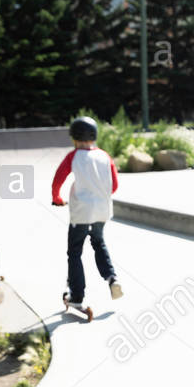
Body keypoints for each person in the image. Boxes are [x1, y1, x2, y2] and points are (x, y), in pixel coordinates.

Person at [51, 116, 123, 309]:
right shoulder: (105, 156)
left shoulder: (73, 156)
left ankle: (77, 295)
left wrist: (57, 198)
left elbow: (58, 179)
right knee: (99, 243)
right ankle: (112, 278)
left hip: (81, 213)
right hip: (102, 211)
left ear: (74, 138)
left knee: (74, 253)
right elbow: (114, 185)